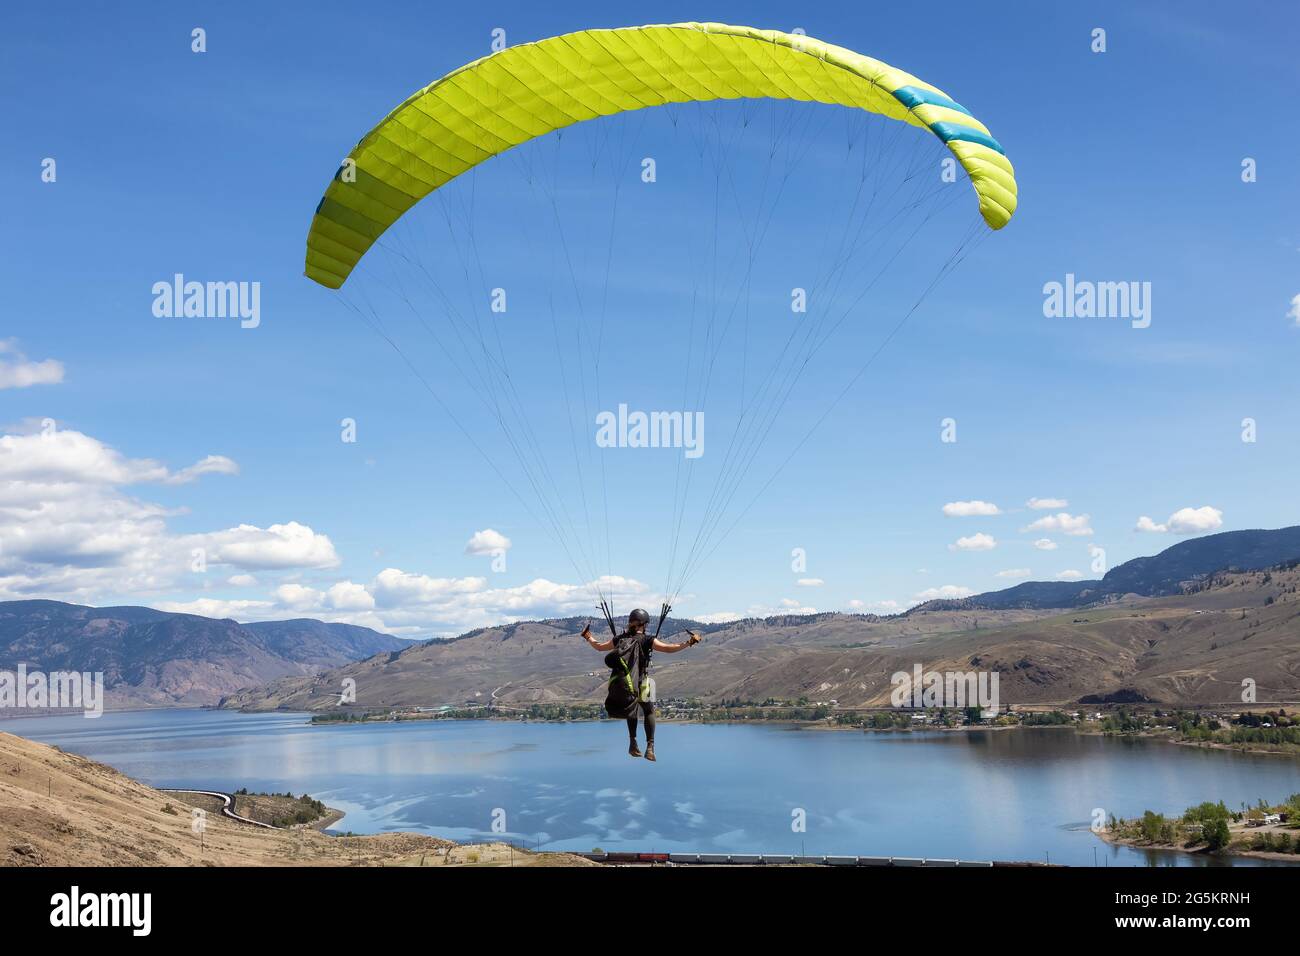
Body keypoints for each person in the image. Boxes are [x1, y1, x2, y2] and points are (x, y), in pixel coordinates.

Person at [581, 608, 700, 761]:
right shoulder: (646, 639)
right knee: (649, 710)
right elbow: (669, 649)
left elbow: (599, 647)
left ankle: (632, 743)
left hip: (625, 683)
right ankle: (650, 747)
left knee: (633, 709)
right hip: (642, 682)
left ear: (631, 622)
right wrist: (689, 642)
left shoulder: (620, 639)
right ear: (643, 624)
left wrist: (588, 636)